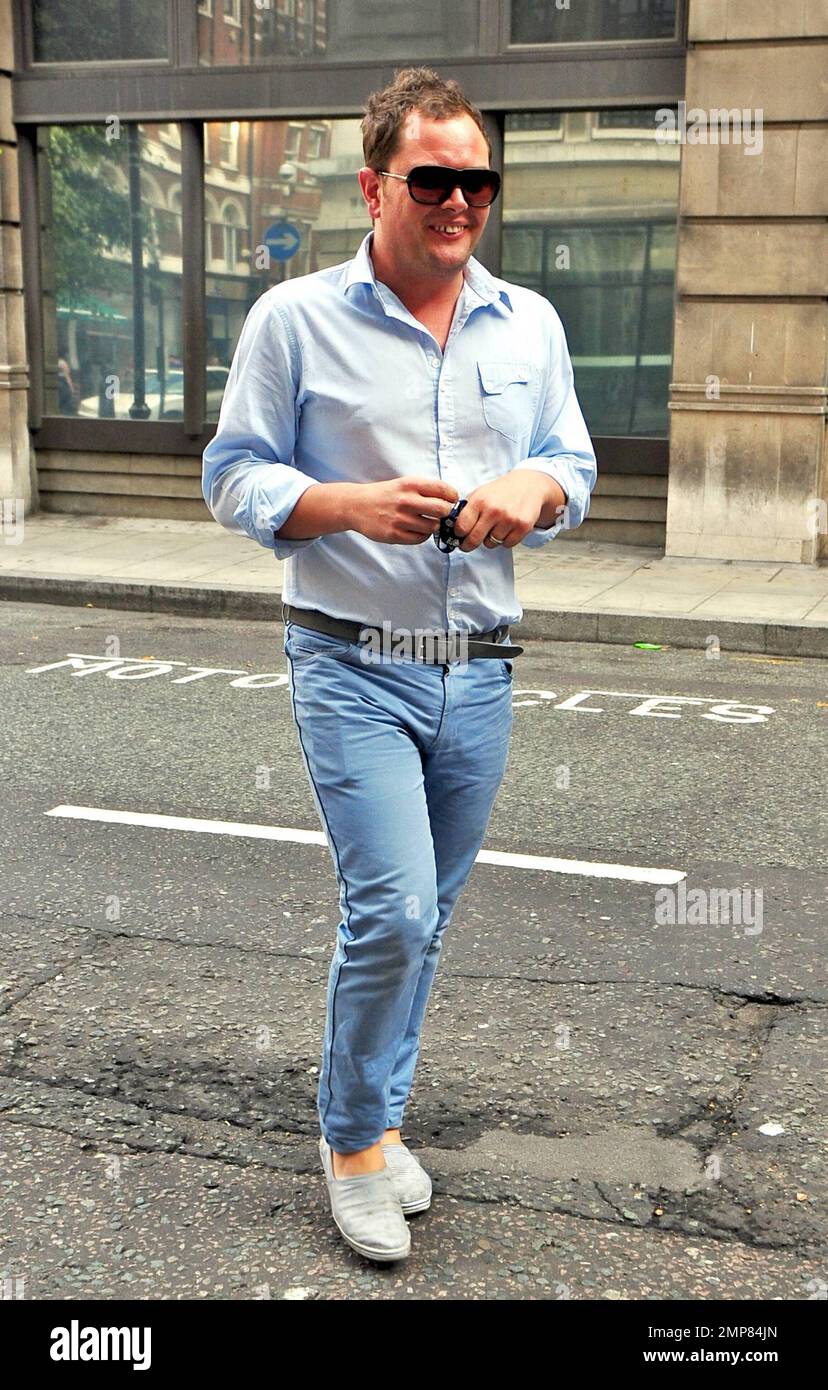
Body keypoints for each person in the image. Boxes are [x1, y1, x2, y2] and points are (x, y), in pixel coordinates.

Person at [202, 66, 596, 1264]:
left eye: (479, 179)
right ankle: (356, 1139)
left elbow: (569, 463)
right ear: (377, 185)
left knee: (429, 918)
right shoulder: (293, 319)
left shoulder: (528, 322)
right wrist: (342, 503)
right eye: (435, 179)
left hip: (478, 666)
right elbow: (233, 475)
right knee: (393, 908)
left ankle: (376, 1113)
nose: (460, 200)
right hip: (351, 660)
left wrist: (536, 489)